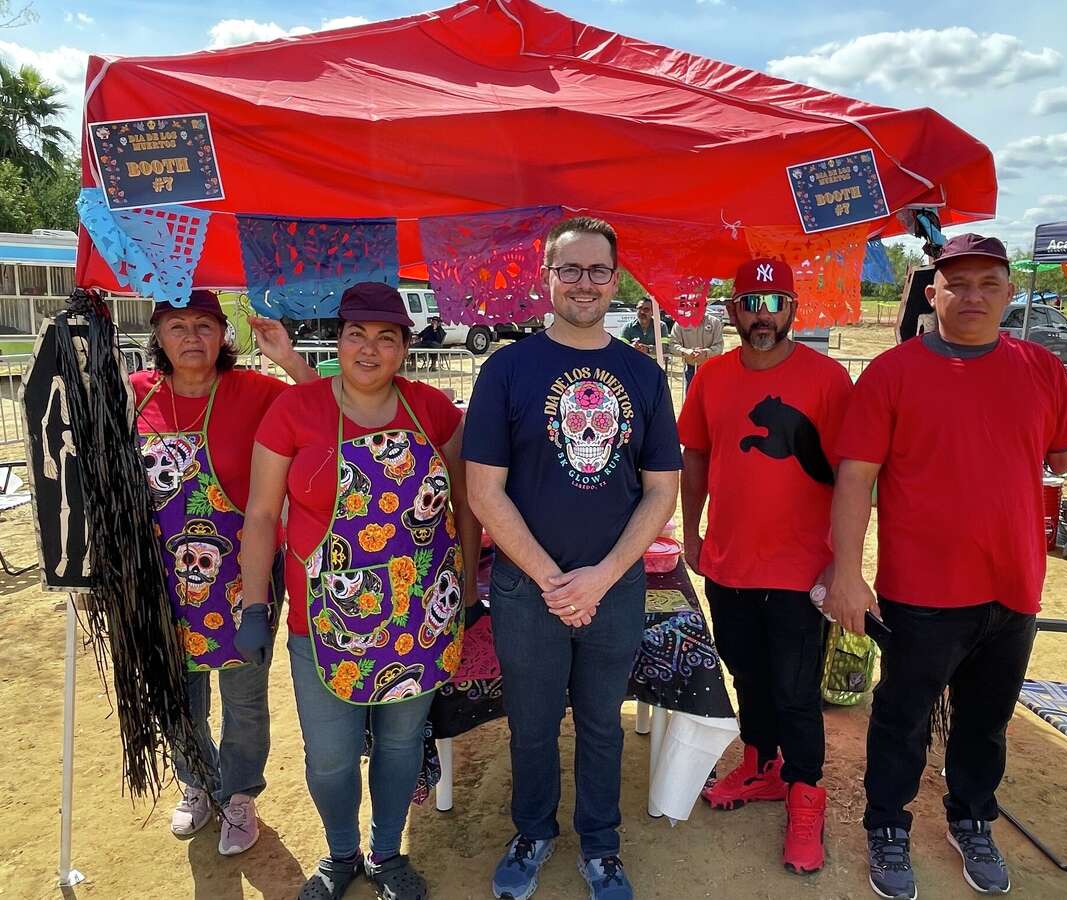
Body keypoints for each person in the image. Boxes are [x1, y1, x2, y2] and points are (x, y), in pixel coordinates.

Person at [825, 234, 1067, 899]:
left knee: (986, 719)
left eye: (988, 284)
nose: (972, 296)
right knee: (902, 716)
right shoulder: (892, 373)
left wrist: (1066, 452)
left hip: (1014, 584)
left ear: (1008, 293)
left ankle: (972, 817)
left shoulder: (1041, 369)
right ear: (932, 292)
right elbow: (855, 479)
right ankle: (887, 825)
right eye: (958, 284)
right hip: (924, 589)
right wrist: (848, 574)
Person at [239, 282, 481, 900]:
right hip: (323, 625)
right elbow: (263, 516)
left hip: (420, 619)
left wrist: (468, 588)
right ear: (338, 340)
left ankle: (387, 852)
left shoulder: (435, 412)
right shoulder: (296, 412)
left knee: (401, 745)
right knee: (331, 757)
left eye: (386, 338)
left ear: (405, 347)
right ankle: (341, 852)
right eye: (356, 335)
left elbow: (467, 505)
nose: (369, 350)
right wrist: (254, 605)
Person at [464, 217, 681, 900]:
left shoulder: (643, 376)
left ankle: (601, 844)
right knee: (530, 723)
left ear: (614, 280)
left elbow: (661, 492)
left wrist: (603, 576)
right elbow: (483, 489)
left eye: (596, 271)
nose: (584, 283)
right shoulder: (506, 369)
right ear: (547, 278)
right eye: (570, 270)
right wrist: (554, 580)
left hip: (613, 588)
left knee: (601, 724)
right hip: (530, 591)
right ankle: (531, 832)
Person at [678, 258, 850, 874]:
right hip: (728, 562)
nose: (762, 315)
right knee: (745, 673)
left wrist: (843, 564)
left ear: (793, 312)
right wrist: (691, 531)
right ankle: (761, 764)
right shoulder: (710, 377)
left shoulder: (829, 380)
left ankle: (806, 791)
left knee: (796, 689)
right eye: (750, 302)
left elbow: (855, 478)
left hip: (803, 570)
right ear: (732, 312)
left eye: (774, 302)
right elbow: (695, 456)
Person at [133, 289, 316, 855]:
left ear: (224, 334)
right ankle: (199, 783)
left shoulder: (255, 391)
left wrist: (286, 356)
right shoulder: (135, 396)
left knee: (243, 696)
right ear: (159, 336)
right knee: (176, 692)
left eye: (205, 325)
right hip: (161, 579)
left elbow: (323, 404)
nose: (192, 337)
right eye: (178, 326)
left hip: (243, 575)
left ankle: (238, 797)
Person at [667, 309, 724, 393]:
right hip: (691, 369)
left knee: (711, 399)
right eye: (694, 304)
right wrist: (684, 351)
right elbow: (672, 344)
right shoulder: (680, 323)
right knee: (691, 398)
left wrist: (706, 352)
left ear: (705, 305)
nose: (696, 307)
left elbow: (719, 346)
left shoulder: (715, 322)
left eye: (700, 304)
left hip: (711, 369)